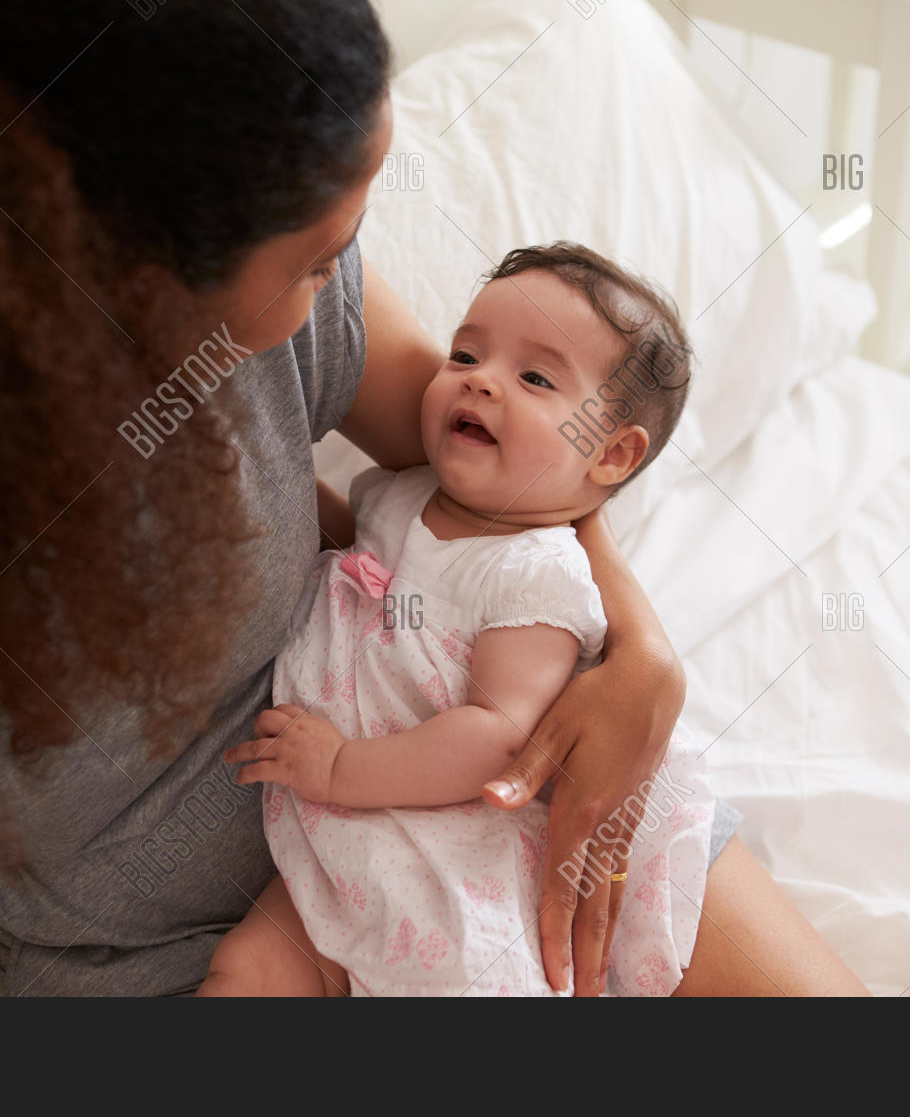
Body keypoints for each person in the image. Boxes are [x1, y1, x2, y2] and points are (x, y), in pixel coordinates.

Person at [0, 0, 865, 997]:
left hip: (486, 821)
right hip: (176, 957)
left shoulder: (270, 299)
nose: (348, 278)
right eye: (322, 259)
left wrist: (639, 645)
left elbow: (508, 468)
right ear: (126, 273)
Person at [203, 243, 715, 996]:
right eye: (466, 352)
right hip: (345, 843)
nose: (480, 379)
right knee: (248, 969)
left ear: (611, 455)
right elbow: (354, 564)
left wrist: (342, 770)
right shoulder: (403, 494)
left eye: (534, 377)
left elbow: (497, 734)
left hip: (451, 852)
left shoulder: (537, 573)